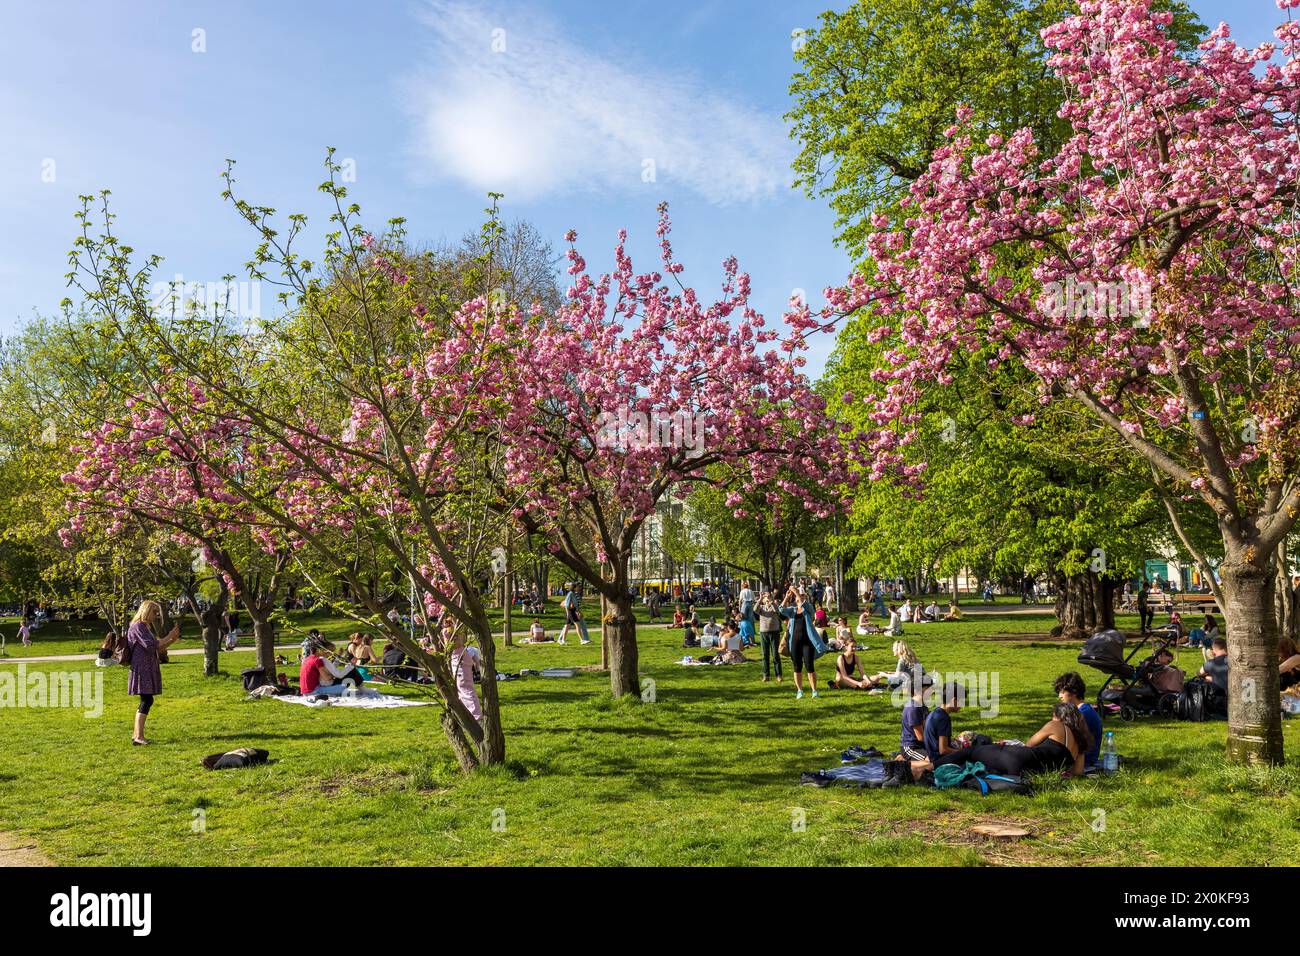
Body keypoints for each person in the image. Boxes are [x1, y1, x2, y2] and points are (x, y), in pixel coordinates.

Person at [932, 702, 1092, 778]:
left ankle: (930, 768)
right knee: (983, 756)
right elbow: (1077, 773)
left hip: (1018, 759)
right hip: (1030, 773)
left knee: (972, 751)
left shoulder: (1056, 725)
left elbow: (1029, 744)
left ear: (1059, 716)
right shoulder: (1079, 745)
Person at [126, 600, 181, 745]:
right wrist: (169, 635)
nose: (156, 615)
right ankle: (138, 736)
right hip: (142, 668)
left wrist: (172, 640)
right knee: (147, 699)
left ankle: (136, 735)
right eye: (154, 612)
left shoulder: (145, 626)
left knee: (146, 699)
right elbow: (151, 645)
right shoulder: (138, 626)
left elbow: (158, 648)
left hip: (148, 666)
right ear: (146, 611)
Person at [779, 585, 824, 700]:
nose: (799, 598)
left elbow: (804, 604)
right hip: (794, 643)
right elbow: (781, 610)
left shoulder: (808, 608)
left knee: (810, 666)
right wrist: (787, 597)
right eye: (798, 596)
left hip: (807, 642)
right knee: (797, 667)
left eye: (802, 596)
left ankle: (814, 690)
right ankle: (800, 690)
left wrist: (796, 592)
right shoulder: (792, 610)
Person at [1054, 672, 1103, 771]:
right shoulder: (1080, 710)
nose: (1060, 696)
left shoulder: (1083, 713)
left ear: (1074, 692)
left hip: (1084, 760)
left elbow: (1067, 738)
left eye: (1062, 692)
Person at [299, 637, 363, 697]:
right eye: (329, 652)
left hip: (306, 690)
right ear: (320, 650)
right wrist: (351, 665)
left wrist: (338, 658)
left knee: (350, 671)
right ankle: (362, 688)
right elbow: (331, 676)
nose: (330, 654)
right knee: (350, 674)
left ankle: (361, 688)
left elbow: (331, 668)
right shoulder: (319, 660)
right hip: (315, 690)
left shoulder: (308, 659)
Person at [923, 682, 964, 763]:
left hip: (932, 755)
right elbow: (943, 750)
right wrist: (963, 753)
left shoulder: (935, 712)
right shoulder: (943, 718)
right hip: (939, 760)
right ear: (954, 700)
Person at [450, 631, 483, 722]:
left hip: (460, 658)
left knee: (465, 688)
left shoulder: (454, 631)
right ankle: (467, 714)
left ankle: (477, 717)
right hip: (456, 656)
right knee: (460, 689)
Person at [899, 674, 929, 762]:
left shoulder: (922, 705)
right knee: (932, 761)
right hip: (911, 747)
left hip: (922, 745)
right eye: (927, 688)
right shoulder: (913, 708)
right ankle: (902, 763)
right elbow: (920, 737)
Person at [756, 591, 784, 683]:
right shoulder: (761, 608)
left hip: (774, 633)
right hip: (764, 633)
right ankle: (766, 675)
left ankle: (779, 675)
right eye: (765, 598)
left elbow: (778, 611)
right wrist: (760, 598)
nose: (767, 599)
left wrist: (771, 601)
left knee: (775, 655)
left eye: (768, 597)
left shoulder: (774, 606)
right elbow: (755, 609)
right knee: (765, 655)